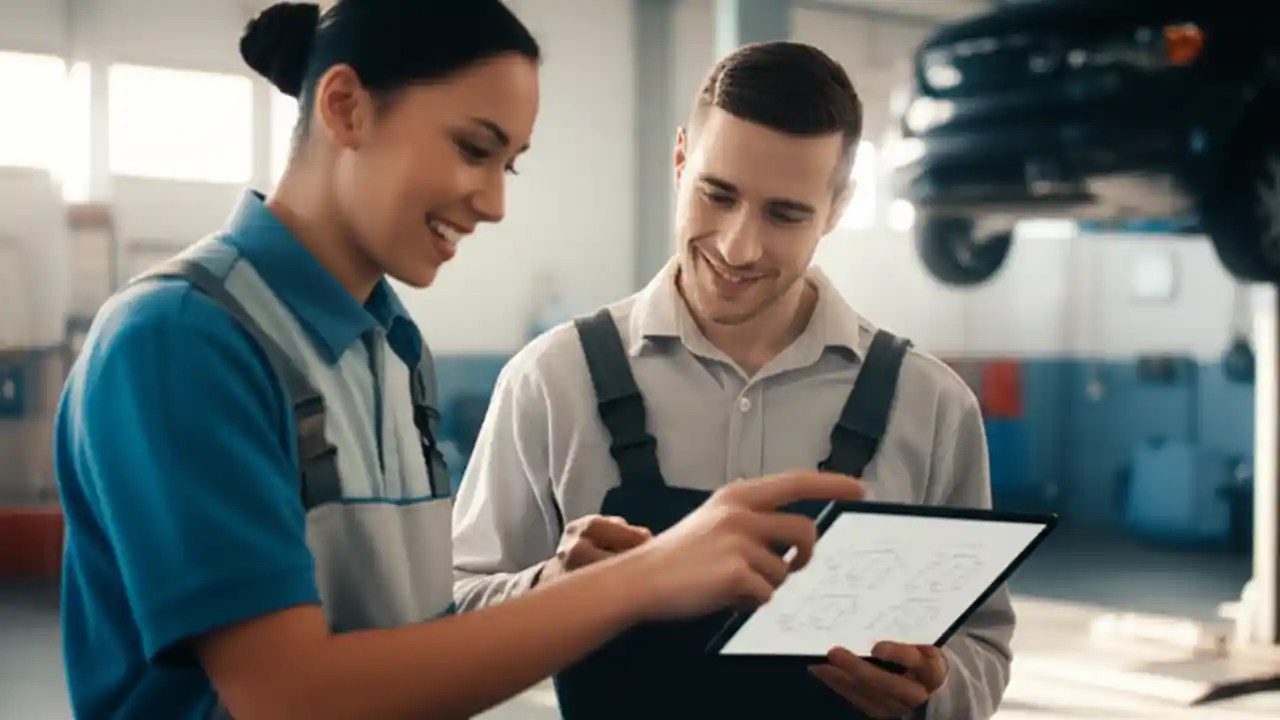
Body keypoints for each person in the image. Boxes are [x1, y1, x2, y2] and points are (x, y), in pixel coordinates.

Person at [50, 3, 869, 718]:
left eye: (508, 163)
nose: (495, 201)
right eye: (474, 149)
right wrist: (649, 575)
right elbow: (290, 696)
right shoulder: (181, 340)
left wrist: (550, 585)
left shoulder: (391, 354)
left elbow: (413, 649)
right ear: (345, 106)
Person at [452, 41, 1015, 720]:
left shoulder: (930, 406)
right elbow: (453, 612)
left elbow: (982, 641)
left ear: (838, 207)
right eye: (717, 195)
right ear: (681, 159)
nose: (737, 246)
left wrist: (936, 690)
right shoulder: (551, 381)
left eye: (785, 214)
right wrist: (554, 587)